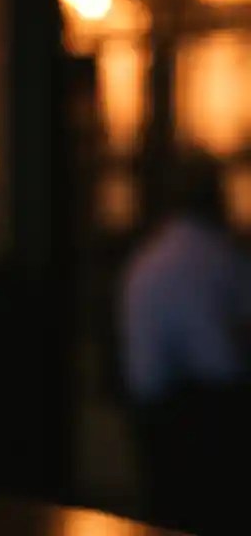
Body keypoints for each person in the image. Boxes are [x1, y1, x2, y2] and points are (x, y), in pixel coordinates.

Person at [120, 151, 251, 534]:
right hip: (211, 419)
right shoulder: (221, 255)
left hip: (150, 420)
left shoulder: (147, 258)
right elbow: (232, 353)